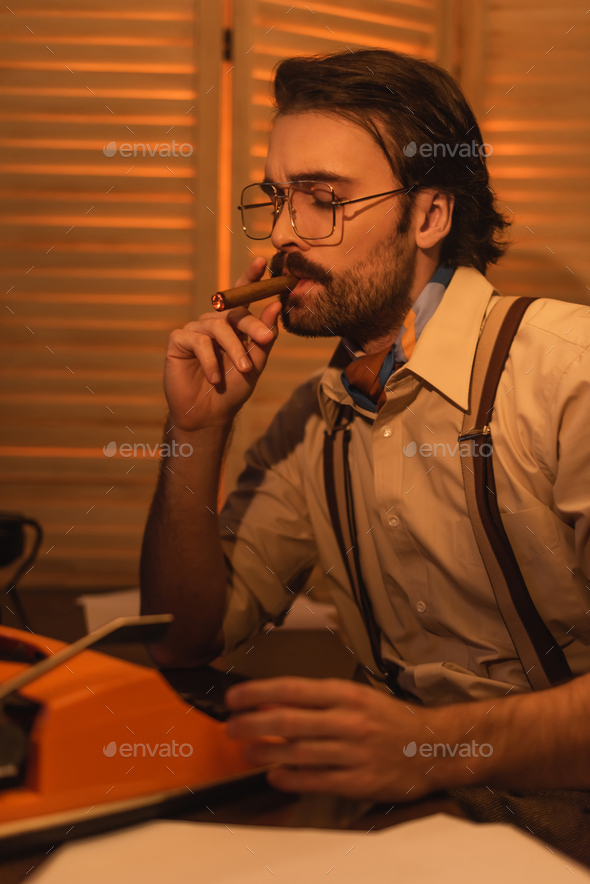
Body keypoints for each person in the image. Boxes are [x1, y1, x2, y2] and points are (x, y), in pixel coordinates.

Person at [140, 50, 590, 804]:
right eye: (277, 198)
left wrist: (427, 748)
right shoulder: (311, 423)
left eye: (322, 198)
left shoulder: (568, 375)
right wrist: (195, 432)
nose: (284, 232)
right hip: (401, 831)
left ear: (429, 215)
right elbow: (186, 635)